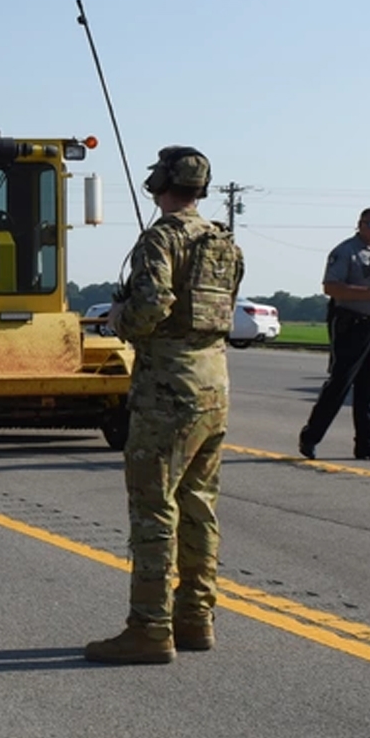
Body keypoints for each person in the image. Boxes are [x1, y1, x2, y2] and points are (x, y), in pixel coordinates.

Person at [86, 146, 244, 664]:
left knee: (154, 507)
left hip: (167, 390)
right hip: (214, 384)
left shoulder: (161, 237)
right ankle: (195, 618)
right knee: (199, 505)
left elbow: (152, 306)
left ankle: (150, 628)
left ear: (160, 184)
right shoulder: (223, 241)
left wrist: (119, 318)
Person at [297, 208, 370, 462]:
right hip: (353, 326)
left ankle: (366, 445)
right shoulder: (346, 252)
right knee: (339, 384)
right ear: (360, 224)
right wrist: (367, 293)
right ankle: (311, 437)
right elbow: (330, 287)